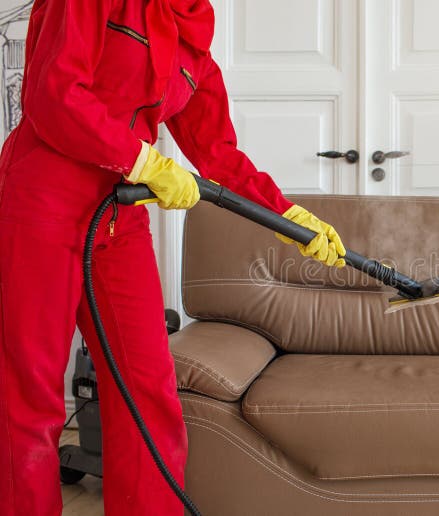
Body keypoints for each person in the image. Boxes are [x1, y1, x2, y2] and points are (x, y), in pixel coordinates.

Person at [0, 1, 346, 514]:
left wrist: (292, 217)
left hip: (119, 220)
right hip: (42, 209)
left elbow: (218, 151)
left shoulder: (193, 34)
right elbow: (54, 95)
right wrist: (143, 159)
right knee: (31, 398)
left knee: (147, 390)